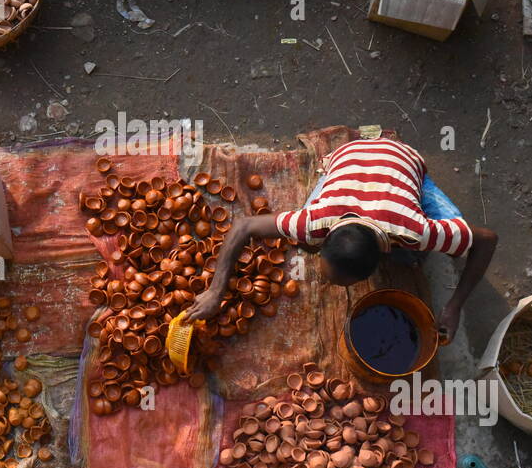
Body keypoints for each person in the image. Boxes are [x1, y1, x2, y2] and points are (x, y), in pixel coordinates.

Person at [183, 136, 497, 337]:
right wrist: (214, 291)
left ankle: (422, 196)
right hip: (345, 155)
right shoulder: (313, 223)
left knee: (453, 245)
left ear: (378, 262)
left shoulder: (416, 231)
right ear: (326, 240)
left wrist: (455, 305)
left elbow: (488, 239)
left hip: (404, 160)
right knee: (303, 239)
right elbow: (243, 226)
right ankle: (338, 172)